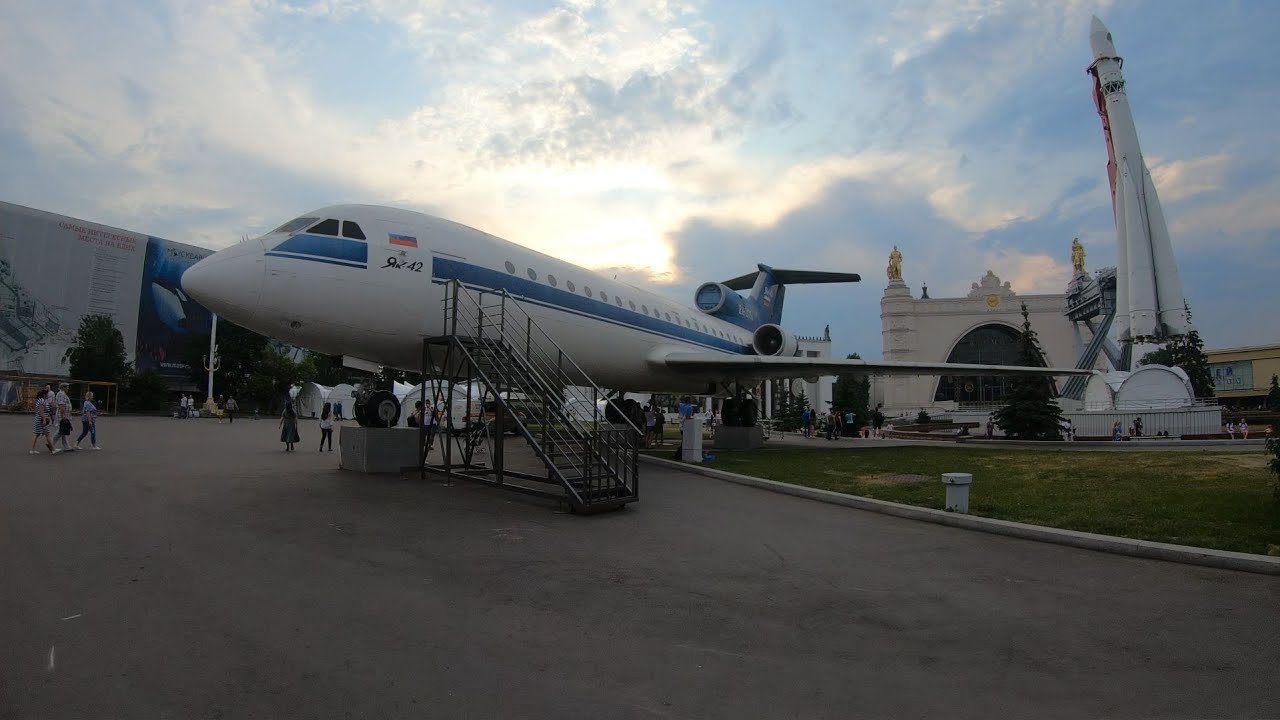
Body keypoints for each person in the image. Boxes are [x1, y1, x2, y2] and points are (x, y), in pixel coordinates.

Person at [30, 388, 57, 455]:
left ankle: (33, 450)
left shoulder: (41, 400)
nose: (48, 395)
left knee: (42, 434)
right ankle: (53, 449)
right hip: (41, 420)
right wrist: (44, 419)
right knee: (44, 434)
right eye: (47, 394)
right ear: (44, 394)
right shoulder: (42, 401)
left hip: (40, 419)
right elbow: (41, 411)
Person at [54, 382, 75, 451]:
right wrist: (64, 416)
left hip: (63, 415)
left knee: (63, 430)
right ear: (63, 387)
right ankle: (51, 444)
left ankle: (66, 446)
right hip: (62, 415)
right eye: (67, 387)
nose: (68, 389)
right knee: (61, 430)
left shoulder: (62, 394)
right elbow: (61, 406)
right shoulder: (61, 394)